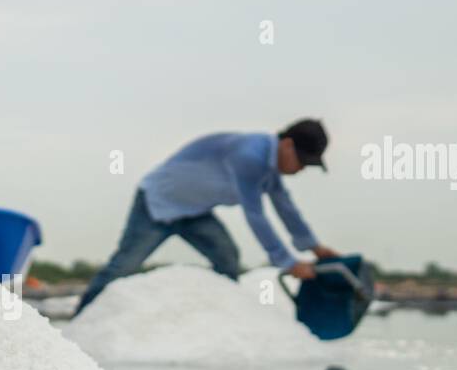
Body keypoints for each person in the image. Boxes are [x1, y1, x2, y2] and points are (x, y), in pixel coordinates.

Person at [76, 119, 339, 315]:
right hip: (156, 204)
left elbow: (285, 207)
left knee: (227, 259)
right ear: (287, 144)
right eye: (302, 162)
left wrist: (314, 247)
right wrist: (286, 261)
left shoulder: (270, 171)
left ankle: (220, 322)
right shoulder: (251, 155)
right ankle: (80, 323)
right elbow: (255, 214)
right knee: (123, 266)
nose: (302, 169)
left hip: (194, 213)